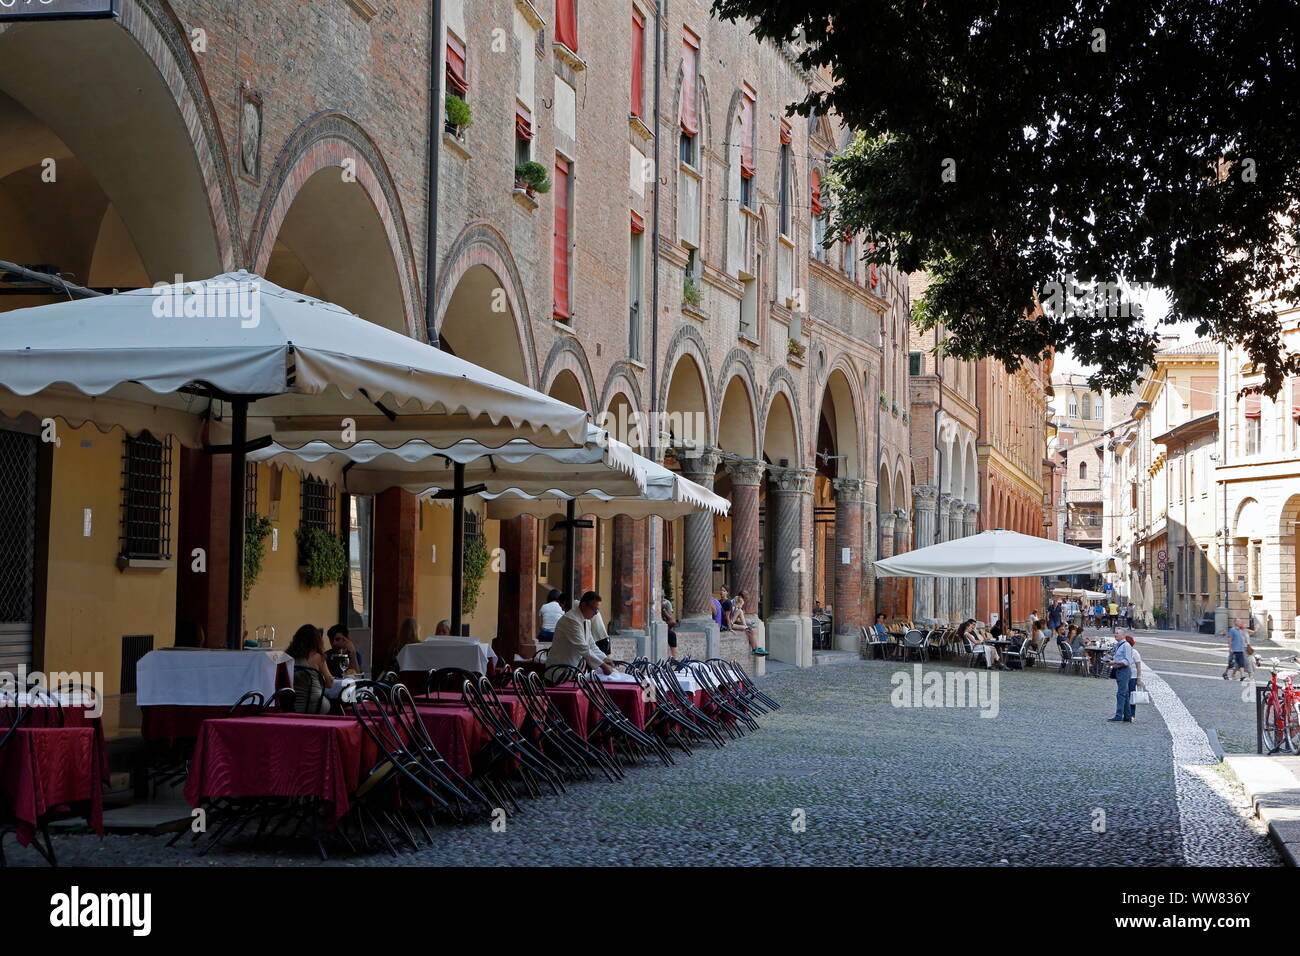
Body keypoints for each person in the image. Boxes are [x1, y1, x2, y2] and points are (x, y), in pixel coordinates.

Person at [548, 591, 615, 676]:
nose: (595, 613)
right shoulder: (571, 620)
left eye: (597, 610)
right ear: (583, 605)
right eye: (594, 609)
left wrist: (604, 658)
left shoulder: (586, 621)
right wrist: (603, 666)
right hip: (559, 670)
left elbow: (591, 644)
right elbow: (583, 648)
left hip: (571, 670)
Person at [287, 623, 333, 714]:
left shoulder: (288, 656)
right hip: (317, 705)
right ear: (317, 641)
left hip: (294, 705)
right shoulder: (318, 656)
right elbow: (329, 684)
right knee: (336, 703)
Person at [1105, 628, 1135, 722]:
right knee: (1124, 694)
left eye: (1117, 633)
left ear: (1123, 635)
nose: (1115, 634)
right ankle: (1127, 716)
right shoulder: (1119, 645)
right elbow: (1119, 657)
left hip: (1124, 671)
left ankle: (1118, 715)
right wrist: (1109, 657)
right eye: (1115, 633)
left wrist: (1114, 662)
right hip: (1119, 670)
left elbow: (1127, 661)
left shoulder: (1126, 645)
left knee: (1121, 694)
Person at [1224, 617, 1254, 681]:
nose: (1241, 622)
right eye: (1239, 621)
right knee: (1231, 664)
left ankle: (1242, 676)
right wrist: (1230, 648)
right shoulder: (1232, 630)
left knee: (1241, 663)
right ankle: (1225, 673)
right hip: (1234, 650)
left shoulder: (1240, 630)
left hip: (1240, 650)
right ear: (1235, 623)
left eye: (1241, 621)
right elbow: (1230, 639)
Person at [1124, 634, 1144, 721]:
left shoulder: (1135, 653)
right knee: (1124, 696)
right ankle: (1125, 714)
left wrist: (1139, 678)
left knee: (1131, 697)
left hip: (1133, 677)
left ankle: (1132, 715)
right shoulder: (1123, 652)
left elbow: (1138, 666)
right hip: (1124, 676)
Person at [661, 595, 679, 659]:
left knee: (672, 634)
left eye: (662, 598)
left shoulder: (667, 603)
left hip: (664, 625)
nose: (662, 600)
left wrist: (663, 610)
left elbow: (671, 620)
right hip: (655, 625)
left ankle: (675, 658)